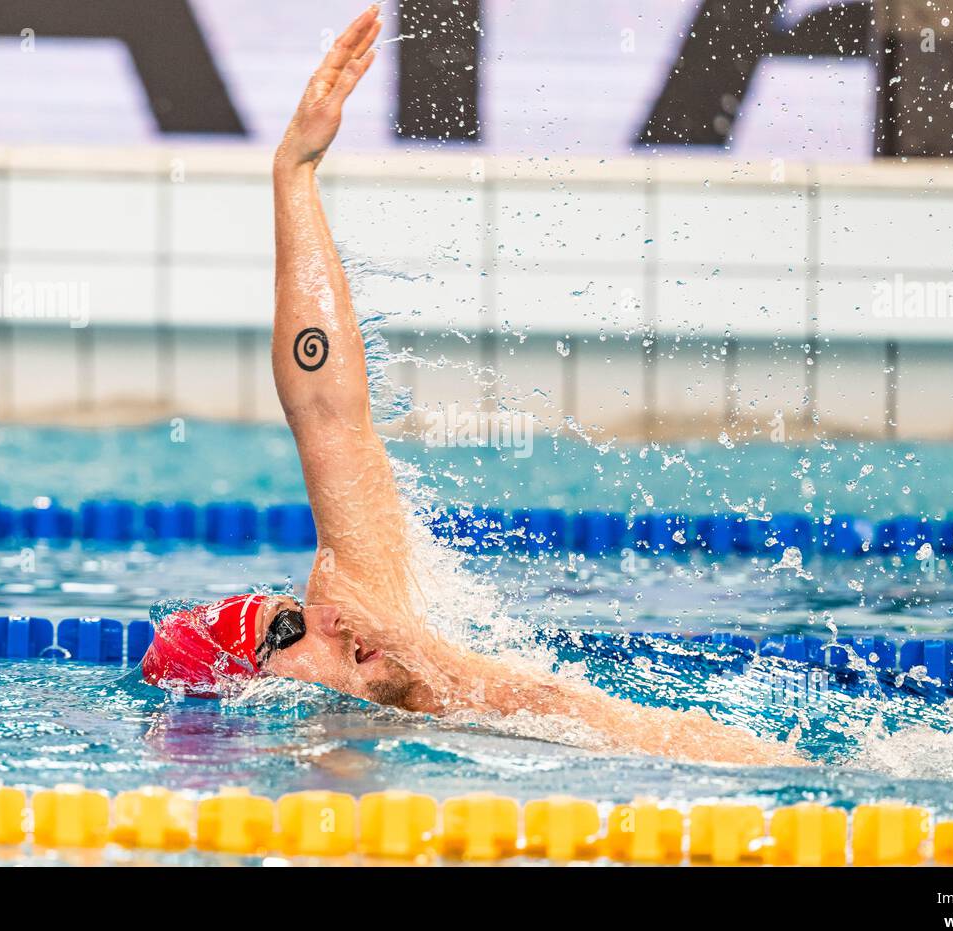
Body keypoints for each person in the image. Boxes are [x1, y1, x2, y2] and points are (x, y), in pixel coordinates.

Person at [141, 5, 801, 767]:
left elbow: (327, 411)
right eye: (284, 634)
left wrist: (293, 173)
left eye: (296, 612)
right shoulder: (327, 763)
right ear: (247, 694)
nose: (320, 618)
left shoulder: (363, 609)